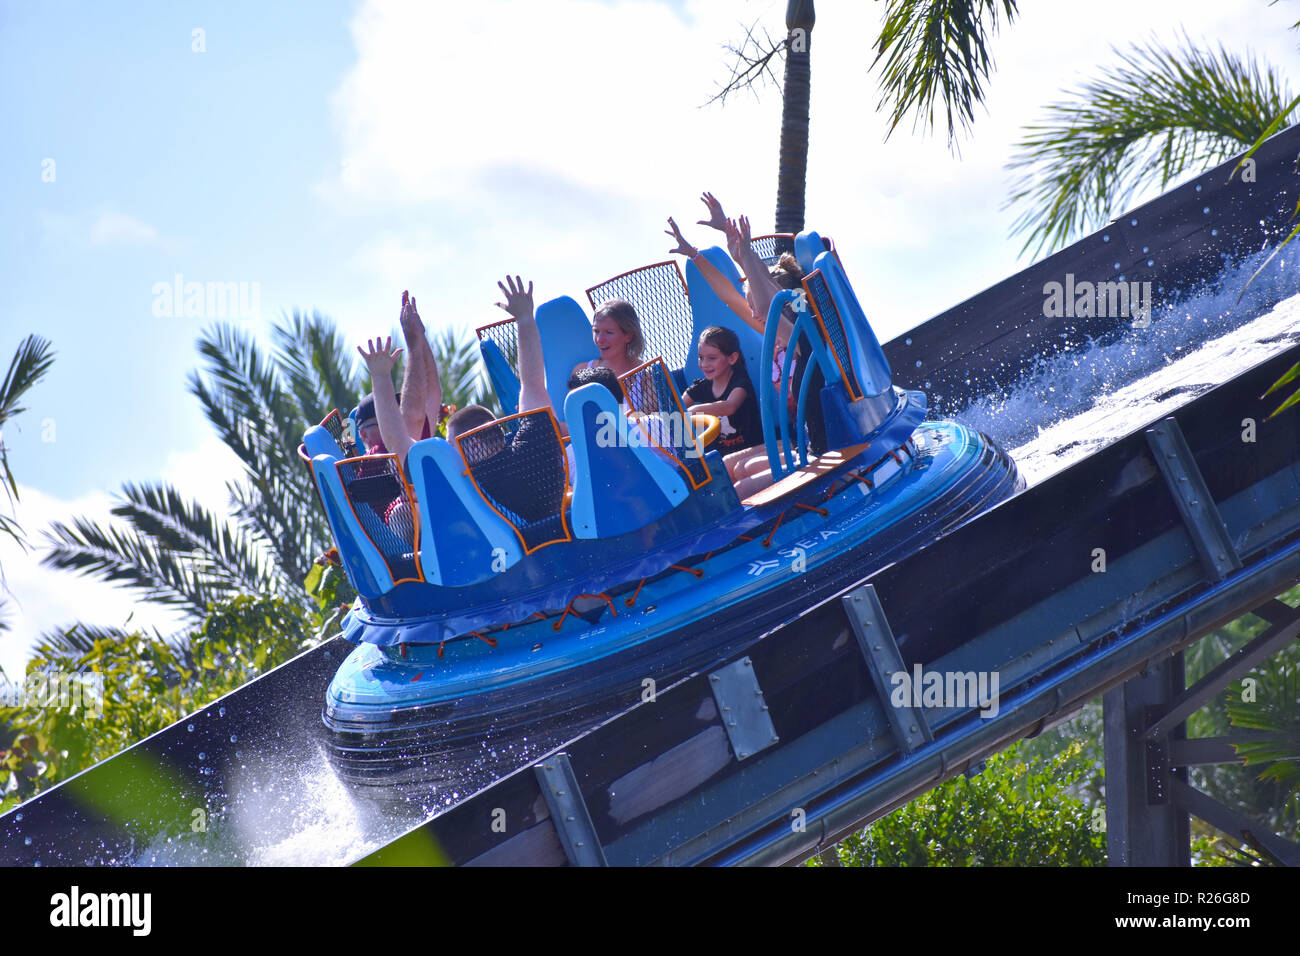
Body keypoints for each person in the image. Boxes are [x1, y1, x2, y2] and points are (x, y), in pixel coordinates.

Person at [444, 276, 566, 529]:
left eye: (452, 446)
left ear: (474, 442)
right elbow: (532, 383)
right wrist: (524, 319)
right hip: (559, 535)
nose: (451, 456)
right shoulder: (532, 446)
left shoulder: (468, 485)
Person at [681, 327, 763, 482]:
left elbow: (729, 406)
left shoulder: (740, 383)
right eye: (700, 357)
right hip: (724, 456)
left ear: (732, 358)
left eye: (712, 358)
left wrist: (695, 410)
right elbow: (677, 407)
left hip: (754, 448)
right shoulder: (700, 387)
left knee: (726, 467)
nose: (704, 364)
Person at [569, 298, 646, 380]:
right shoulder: (581, 372)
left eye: (609, 332)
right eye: (596, 331)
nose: (599, 340)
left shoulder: (645, 374)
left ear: (628, 336)